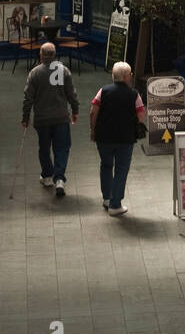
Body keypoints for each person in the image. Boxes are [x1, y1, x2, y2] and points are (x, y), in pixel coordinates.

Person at [22, 42, 79, 197]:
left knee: (44, 148)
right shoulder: (64, 71)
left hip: (42, 119)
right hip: (61, 117)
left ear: (41, 55)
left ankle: (47, 176)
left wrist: (25, 117)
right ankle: (59, 179)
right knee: (62, 148)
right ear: (54, 55)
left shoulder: (34, 73)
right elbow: (71, 94)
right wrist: (75, 110)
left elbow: (28, 98)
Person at [89, 61, 145, 215]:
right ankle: (115, 205)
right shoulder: (134, 94)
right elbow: (141, 116)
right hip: (125, 139)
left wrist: (93, 130)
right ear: (126, 77)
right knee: (121, 169)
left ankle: (107, 198)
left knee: (106, 165)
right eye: (130, 74)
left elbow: (93, 111)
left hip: (104, 137)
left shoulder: (103, 91)